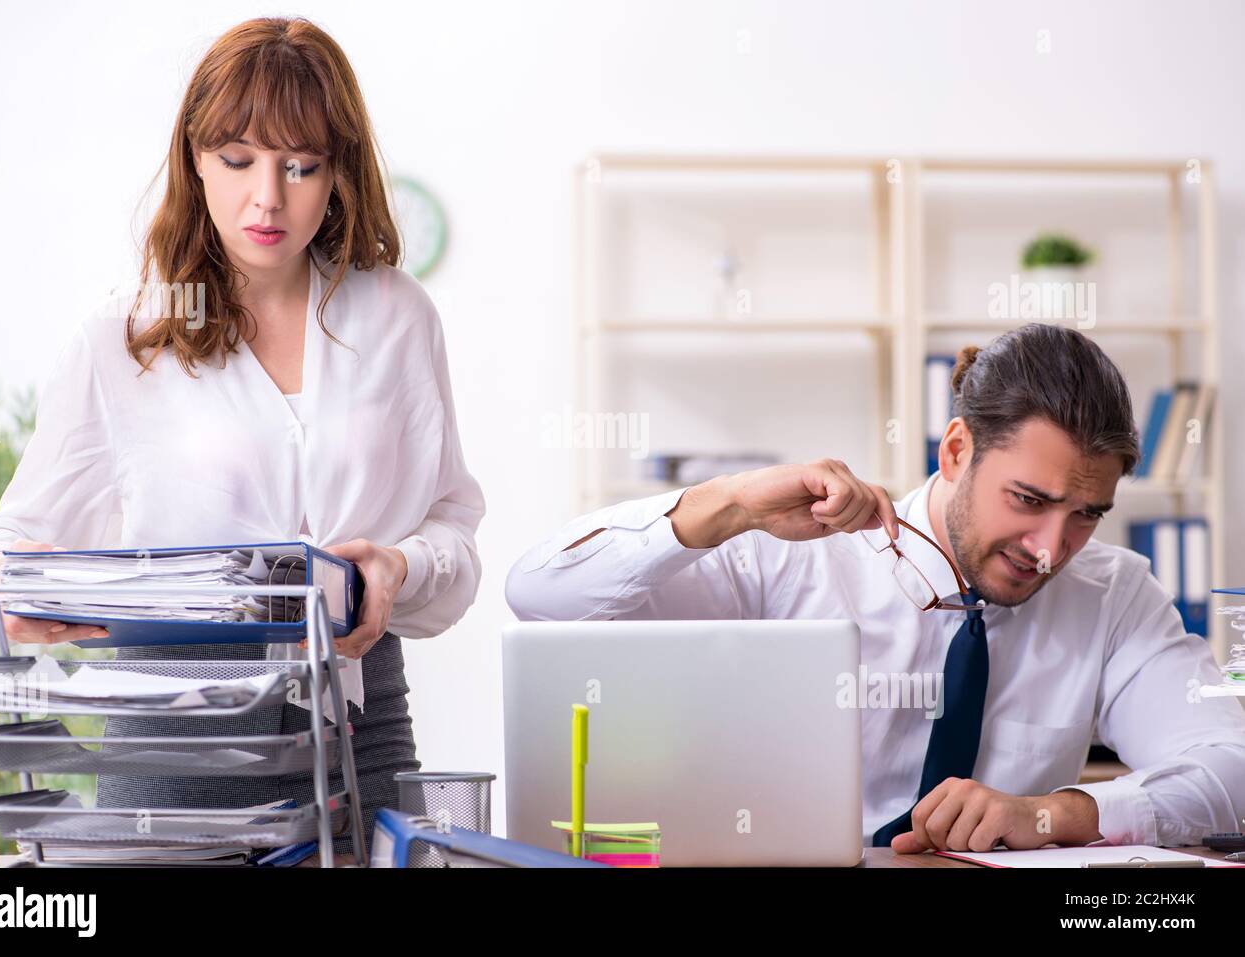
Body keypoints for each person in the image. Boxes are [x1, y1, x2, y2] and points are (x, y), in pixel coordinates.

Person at [0, 17, 485, 856]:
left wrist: (400, 567)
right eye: (238, 161)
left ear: (338, 171)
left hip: (363, 750)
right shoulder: (125, 340)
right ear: (195, 157)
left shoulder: (398, 318)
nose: (267, 198)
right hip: (172, 774)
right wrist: (10, 586)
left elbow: (454, 530)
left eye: (300, 165)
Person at [505, 322, 1245, 853]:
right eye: (1028, 499)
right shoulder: (794, 551)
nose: (1051, 547)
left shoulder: (1111, 593)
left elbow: (1232, 767)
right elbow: (541, 593)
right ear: (956, 450)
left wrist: (1058, 812)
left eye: (1086, 514)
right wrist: (724, 506)